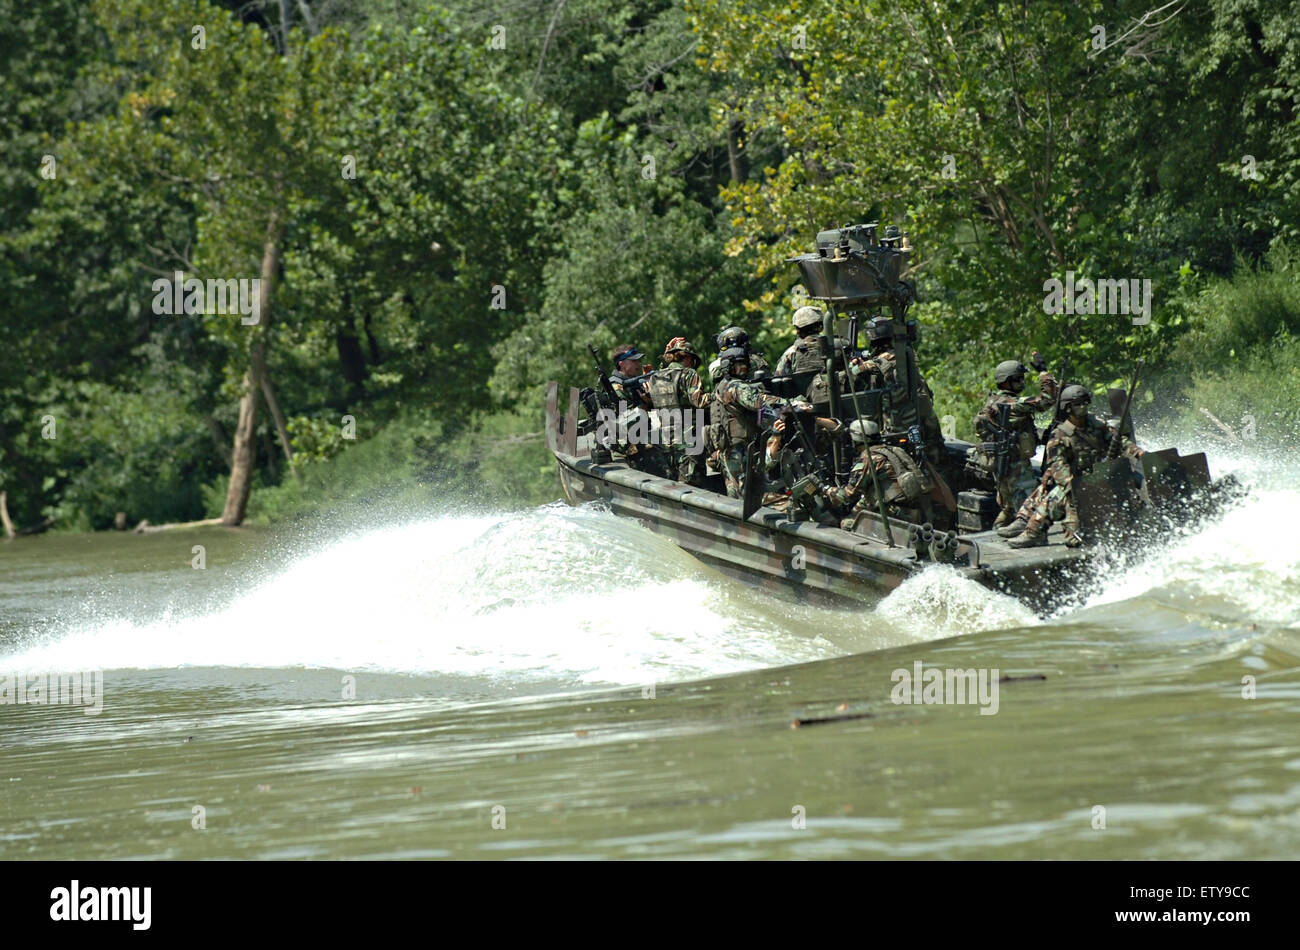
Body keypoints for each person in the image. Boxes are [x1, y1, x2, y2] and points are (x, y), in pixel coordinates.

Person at [1006, 384, 1144, 548]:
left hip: (1101, 478)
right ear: (1068, 408)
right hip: (1076, 487)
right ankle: (1033, 532)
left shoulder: (1097, 425)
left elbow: (1118, 441)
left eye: (1085, 402)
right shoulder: (1060, 436)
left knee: (1135, 485)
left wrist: (1137, 452)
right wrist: (1078, 488)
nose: (1083, 407)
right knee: (1057, 498)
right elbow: (1059, 469)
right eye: (1078, 404)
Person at [973, 358, 1059, 526]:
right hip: (1016, 466)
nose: (1022, 382)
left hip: (1003, 465)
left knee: (1009, 509)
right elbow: (1047, 400)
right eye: (1018, 378)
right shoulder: (1012, 404)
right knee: (1029, 509)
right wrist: (1044, 373)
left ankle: (999, 530)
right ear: (1006, 382)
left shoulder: (994, 401)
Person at [847, 316, 944, 461]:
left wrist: (855, 364)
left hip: (897, 421)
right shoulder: (906, 354)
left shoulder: (877, 362)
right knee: (936, 451)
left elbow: (853, 372)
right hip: (922, 411)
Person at [710, 346, 795, 497]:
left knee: (736, 495)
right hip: (739, 449)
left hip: (732, 448)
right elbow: (758, 401)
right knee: (748, 492)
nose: (743, 368)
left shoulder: (721, 386)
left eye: (745, 364)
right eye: (739, 364)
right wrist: (791, 403)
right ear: (728, 367)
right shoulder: (734, 386)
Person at [818, 419, 935, 526]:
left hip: (895, 517)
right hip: (916, 513)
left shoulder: (868, 459)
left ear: (856, 441)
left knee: (846, 523)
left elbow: (847, 496)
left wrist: (825, 489)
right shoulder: (896, 450)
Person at [646, 337, 708, 486]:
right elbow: (699, 401)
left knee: (673, 485)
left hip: (666, 440)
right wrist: (718, 395)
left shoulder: (656, 376)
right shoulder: (689, 374)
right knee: (693, 486)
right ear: (688, 357)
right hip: (689, 440)